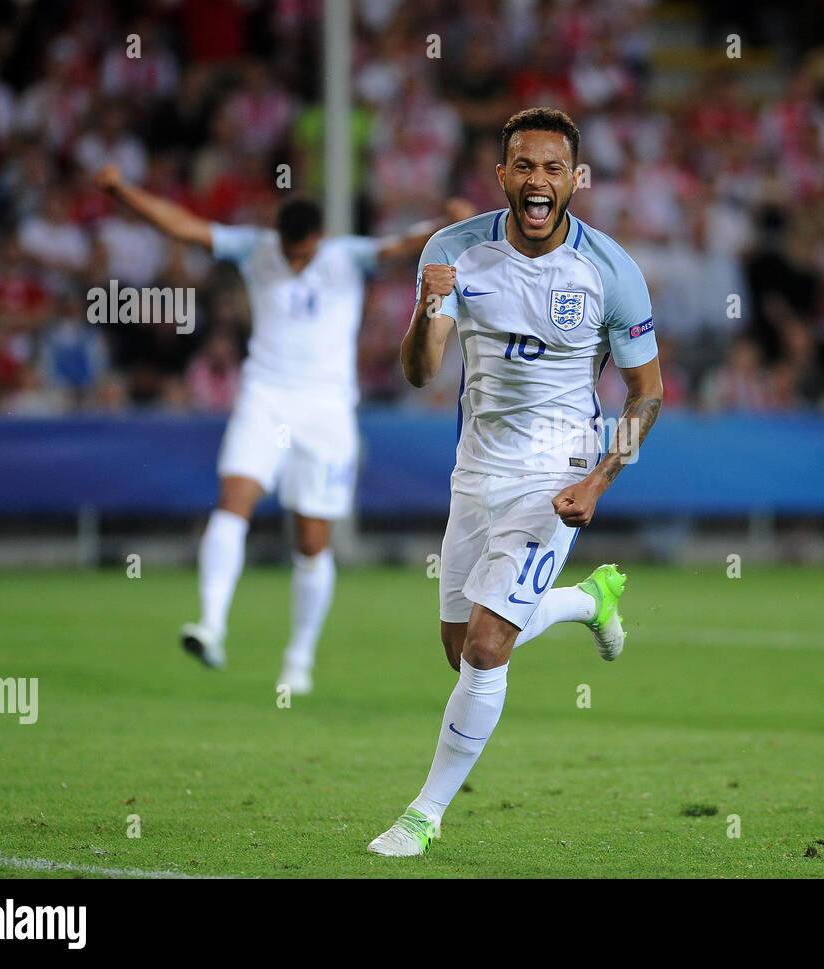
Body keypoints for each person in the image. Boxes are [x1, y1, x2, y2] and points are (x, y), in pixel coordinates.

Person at [369, 107, 663, 856]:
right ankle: (586, 600)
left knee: (488, 644)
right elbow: (420, 371)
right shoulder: (452, 251)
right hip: (476, 470)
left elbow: (647, 392)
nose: (538, 182)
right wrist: (430, 306)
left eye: (553, 168)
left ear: (574, 179)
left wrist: (599, 480)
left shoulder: (611, 270)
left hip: (557, 470)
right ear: (501, 176)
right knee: (457, 643)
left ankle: (423, 815)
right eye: (524, 167)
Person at [95, 161, 472, 694]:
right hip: (264, 398)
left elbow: (406, 243)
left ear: (319, 239)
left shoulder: (347, 256)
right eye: (290, 252)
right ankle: (211, 625)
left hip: (326, 411)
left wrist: (451, 221)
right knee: (232, 504)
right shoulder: (256, 249)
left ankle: (298, 661)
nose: (296, 261)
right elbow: (182, 226)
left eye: (304, 253)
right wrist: (121, 191)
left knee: (312, 542)